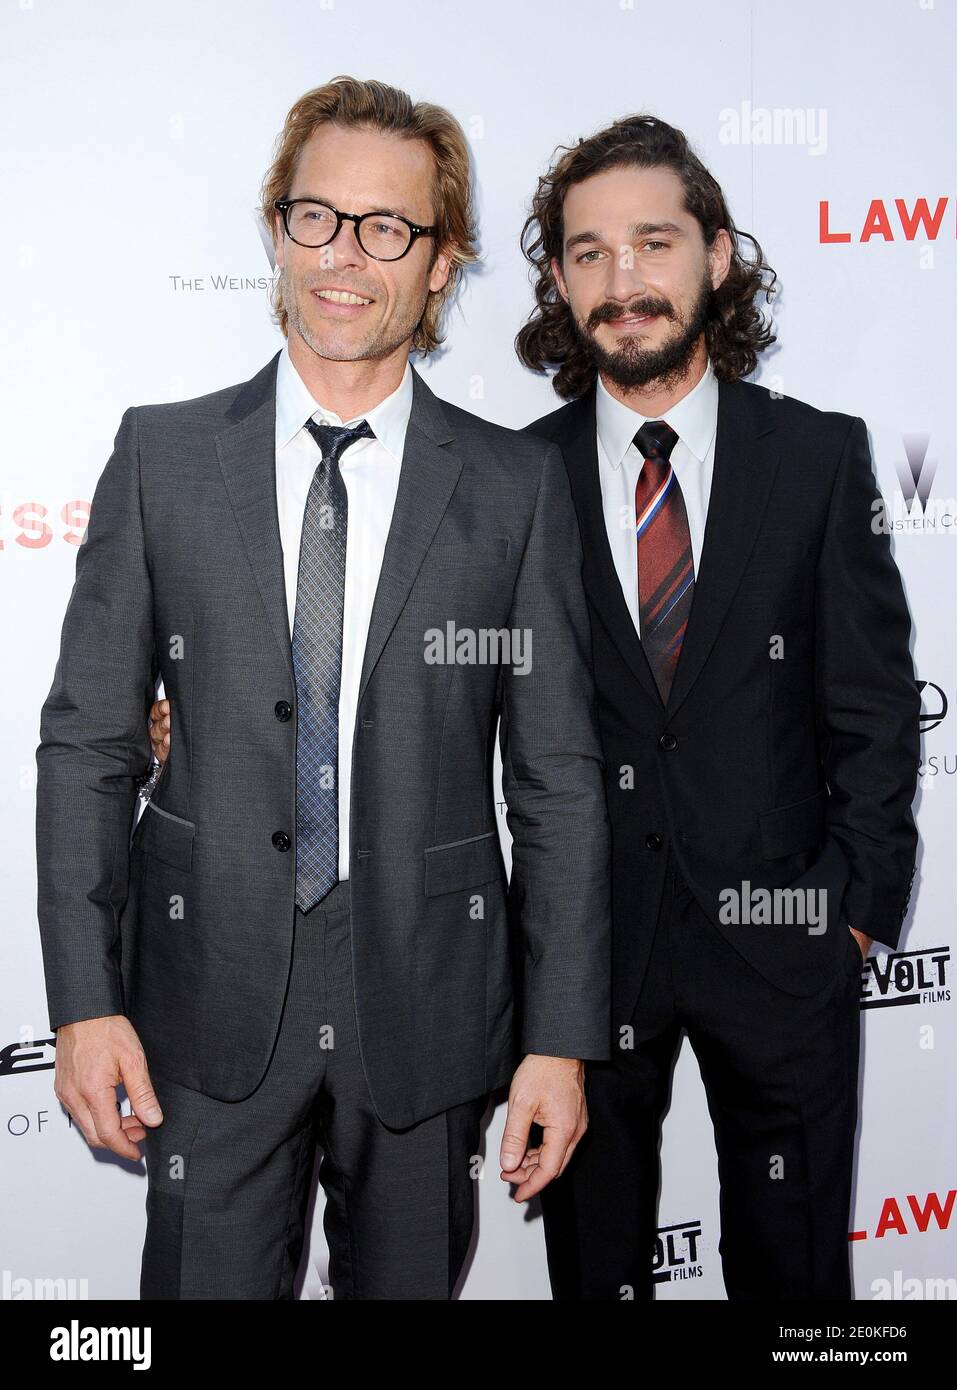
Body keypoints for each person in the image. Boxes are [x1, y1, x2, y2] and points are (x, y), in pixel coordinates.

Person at [35, 76, 611, 1301]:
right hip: (202, 1000)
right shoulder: (163, 457)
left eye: (389, 227)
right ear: (277, 230)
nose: (347, 257)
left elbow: (557, 785)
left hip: (427, 999)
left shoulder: (514, 490)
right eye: (317, 218)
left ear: (443, 261)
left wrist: (560, 1039)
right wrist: (82, 1002)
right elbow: (88, 744)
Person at [516, 114, 920, 1300]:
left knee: (796, 1285)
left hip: (787, 943)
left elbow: (876, 707)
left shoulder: (817, 459)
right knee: (597, 1276)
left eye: (653, 242)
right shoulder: (509, 479)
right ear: (555, 278)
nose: (623, 279)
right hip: (586, 964)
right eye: (588, 252)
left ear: (719, 254)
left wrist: (855, 910)